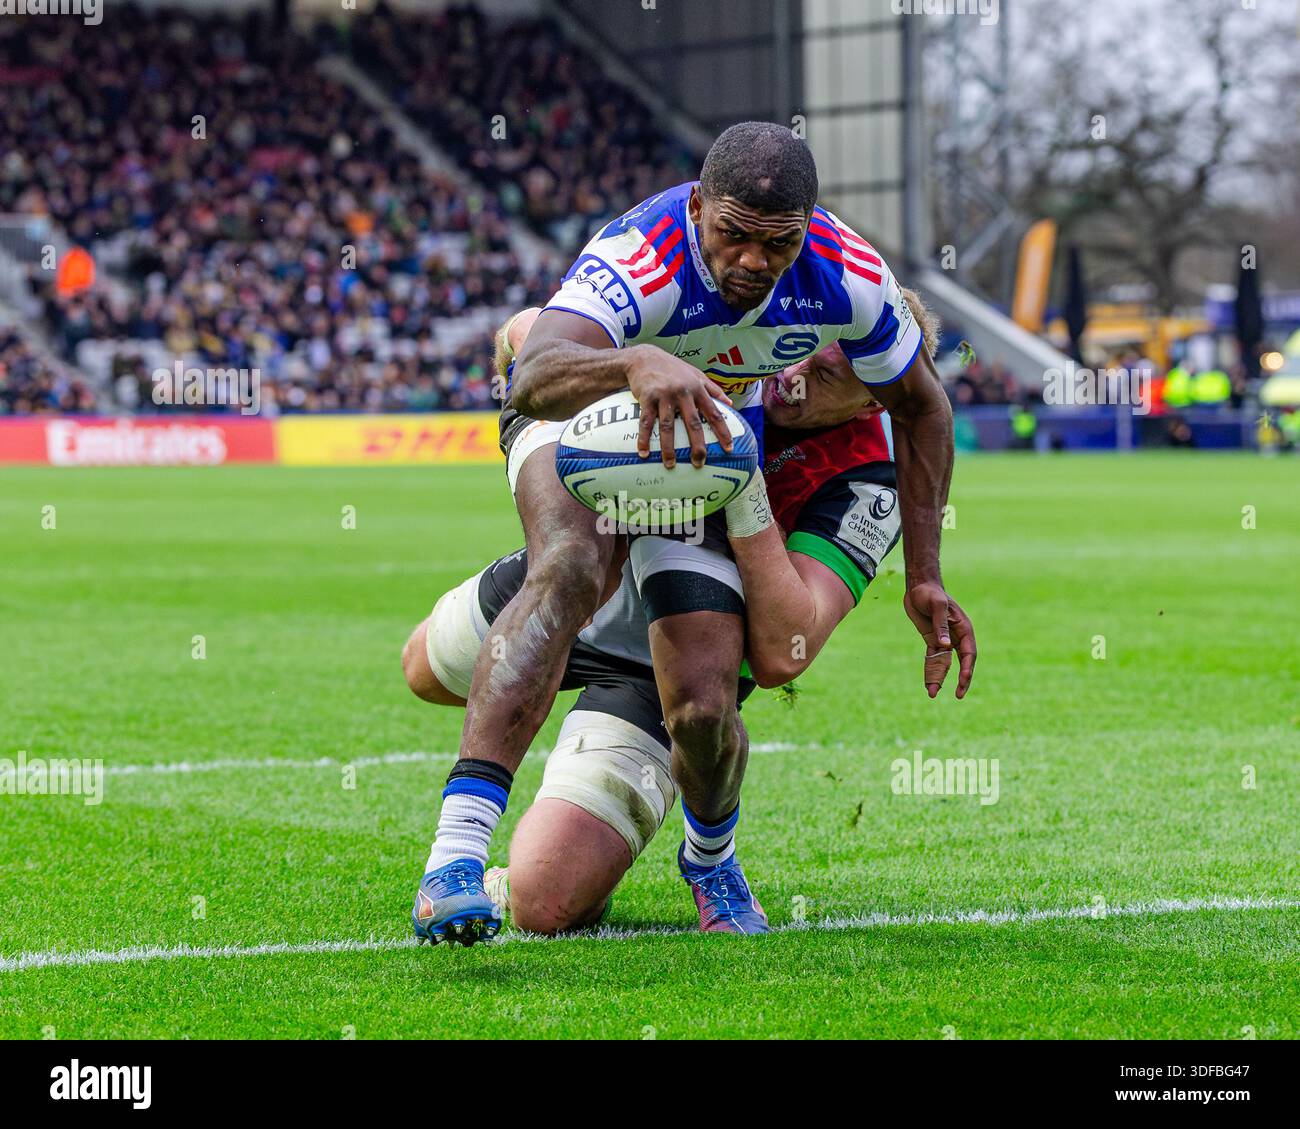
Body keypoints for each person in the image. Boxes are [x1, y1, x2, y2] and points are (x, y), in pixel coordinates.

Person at [413, 121, 974, 946]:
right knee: (503, 612)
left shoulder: (851, 309)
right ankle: (455, 855)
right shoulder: (644, 257)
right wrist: (627, 362)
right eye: (734, 235)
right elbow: (532, 368)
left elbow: (784, 648)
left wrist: (923, 573)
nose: (753, 261)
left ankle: (710, 857)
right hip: (603, 429)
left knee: (557, 887)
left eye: (777, 245)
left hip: (687, 493)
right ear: (700, 206)